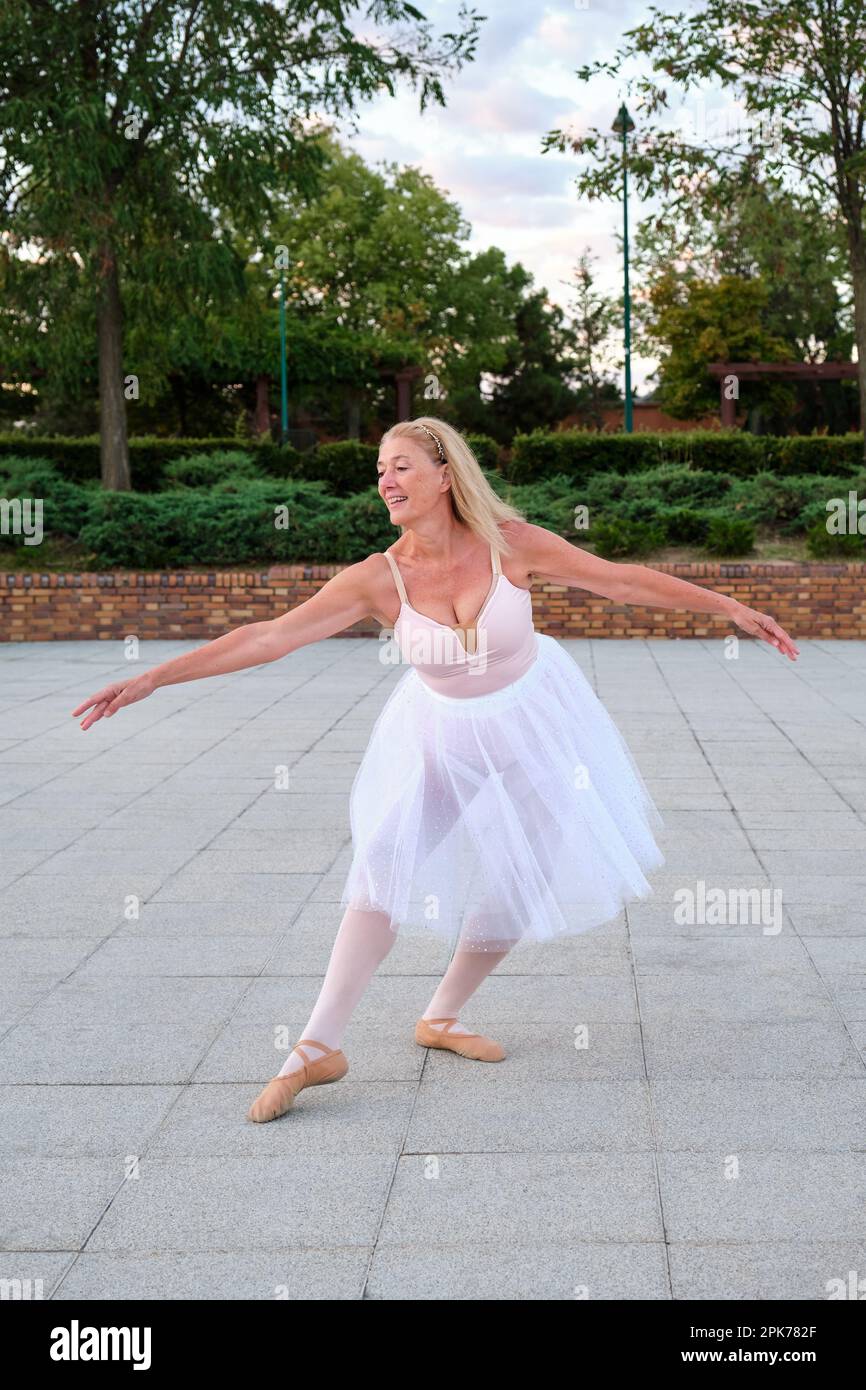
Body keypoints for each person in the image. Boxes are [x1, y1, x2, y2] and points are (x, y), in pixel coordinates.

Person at [72, 417, 799, 1123]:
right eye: (380, 471)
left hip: (535, 722)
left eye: (401, 466)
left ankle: (442, 1015)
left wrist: (729, 606)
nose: (386, 480)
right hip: (441, 732)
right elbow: (269, 636)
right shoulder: (377, 579)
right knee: (383, 864)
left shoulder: (510, 544)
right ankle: (317, 1046)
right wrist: (153, 679)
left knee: (523, 875)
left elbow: (622, 582)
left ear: (446, 475)